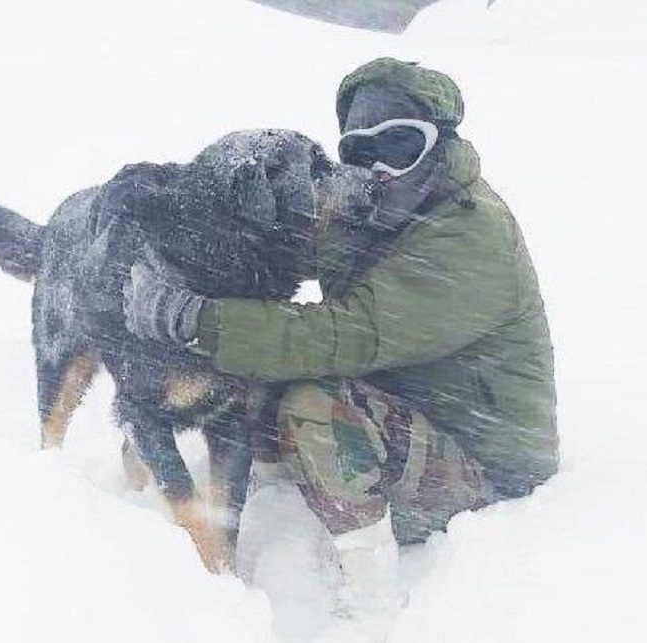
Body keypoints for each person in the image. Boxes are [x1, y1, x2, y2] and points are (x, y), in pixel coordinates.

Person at [122, 58, 559, 595]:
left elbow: (345, 334)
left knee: (314, 402)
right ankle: (283, 500)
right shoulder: (376, 210)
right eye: (359, 151)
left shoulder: (470, 237)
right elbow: (275, 251)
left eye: (400, 146)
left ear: (440, 145)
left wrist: (196, 320)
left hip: (485, 465)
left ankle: (369, 589)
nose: (377, 167)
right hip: (399, 408)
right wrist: (176, 251)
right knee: (253, 368)